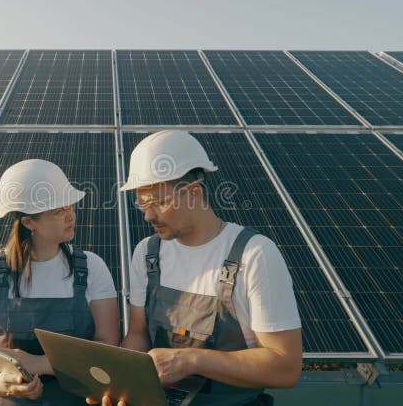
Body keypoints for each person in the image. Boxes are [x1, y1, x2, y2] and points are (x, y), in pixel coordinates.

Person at [101, 130, 302, 406]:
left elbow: (286, 367)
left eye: (159, 202)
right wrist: (125, 384)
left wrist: (191, 360)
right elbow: (138, 334)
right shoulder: (147, 253)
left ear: (194, 193)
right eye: (142, 203)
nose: (148, 215)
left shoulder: (254, 256)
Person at [0, 159, 119, 405]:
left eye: (69, 206)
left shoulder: (92, 269)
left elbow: (109, 349)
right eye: (59, 211)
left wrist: (39, 363)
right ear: (28, 222)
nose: (71, 216)